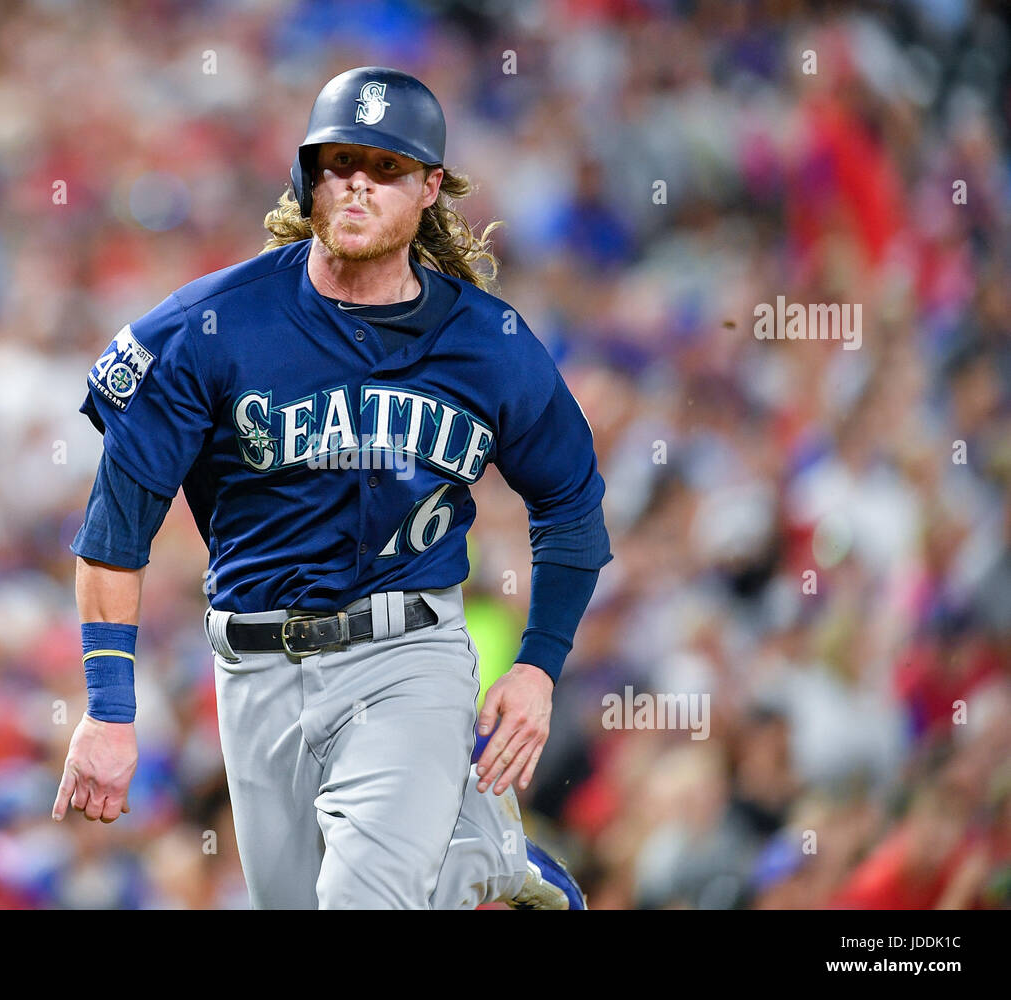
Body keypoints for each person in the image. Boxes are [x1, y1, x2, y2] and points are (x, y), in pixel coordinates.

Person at [52, 66, 612, 910]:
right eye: (338, 160)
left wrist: (537, 666)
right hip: (253, 670)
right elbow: (115, 533)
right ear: (305, 177)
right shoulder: (210, 327)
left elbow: (570, 504)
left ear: (430, 188)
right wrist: (107, 708)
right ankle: (476, 863)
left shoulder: (488, 341)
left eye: (386, 166)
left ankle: (460, 853)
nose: (357, 181)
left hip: (408, 652)